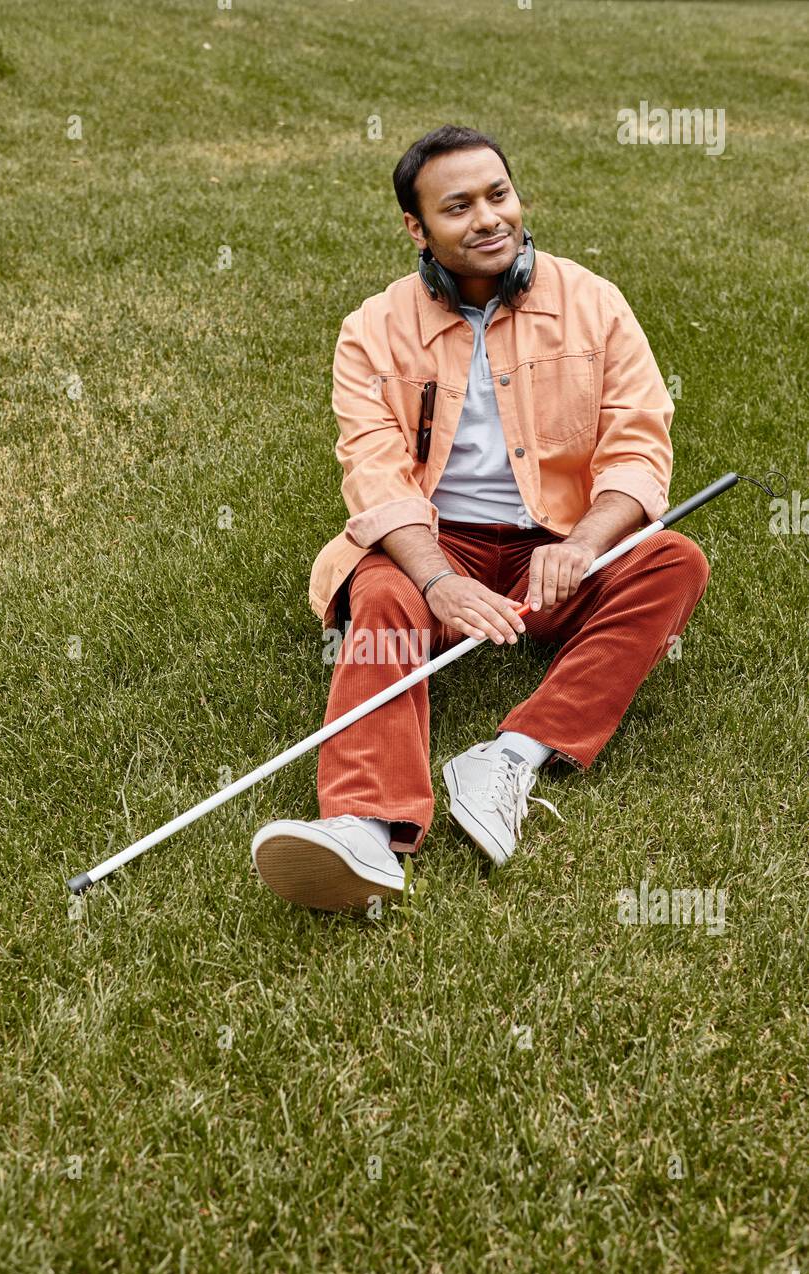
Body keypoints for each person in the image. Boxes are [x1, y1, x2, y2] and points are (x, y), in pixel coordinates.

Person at [251, 124, 710, 912]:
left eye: (499, 195)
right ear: (416, 228)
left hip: (561, 542)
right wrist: (436, 581)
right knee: (387, 595)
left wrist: (587, 543)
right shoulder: (371, 330)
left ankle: (509, 756)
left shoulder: (593, 302)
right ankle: (365, 826)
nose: (488, 218)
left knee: (676, 560)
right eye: (457, 206)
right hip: (435, 541)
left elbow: (639, 445)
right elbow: (374, 473)